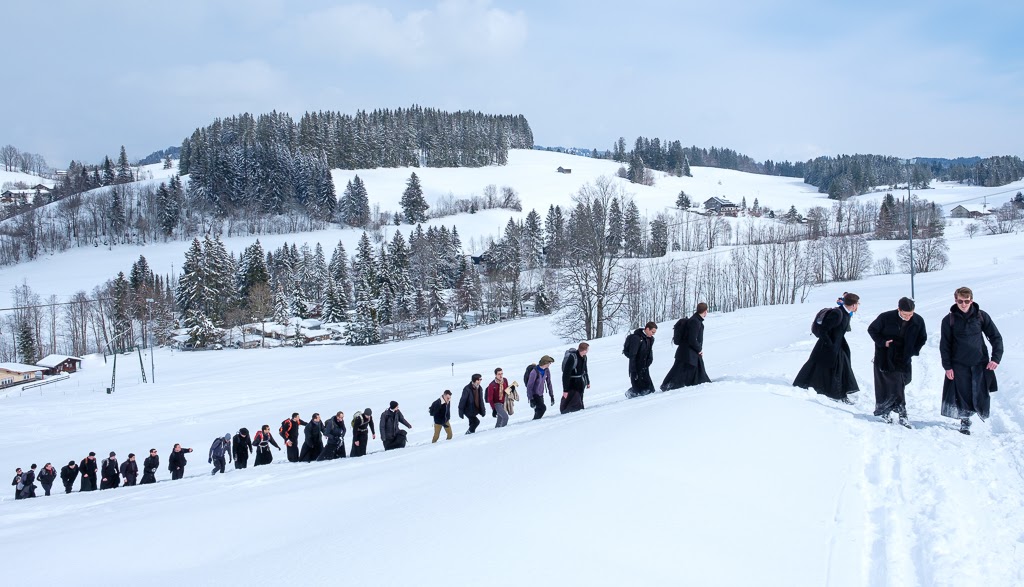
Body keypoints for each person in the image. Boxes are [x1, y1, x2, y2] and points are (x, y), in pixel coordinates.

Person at [939, 286, 1004, 435]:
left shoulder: (981, 316)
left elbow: (996, 337)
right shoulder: (949, 320)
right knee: (963, 393)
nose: (963, 304)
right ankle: (965, 420)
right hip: (959, 364)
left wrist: (996, 358)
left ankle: (977, 412)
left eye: (966, 301)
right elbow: (944, 345)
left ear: (971, 300)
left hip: (980, 362)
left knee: (981, 392)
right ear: (955, 300)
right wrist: (947, 366)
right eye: (960, 301)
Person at [867, 297, 927, 428]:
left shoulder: (918, 320)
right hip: (885, 356)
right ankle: (898, 413)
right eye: (905, 314)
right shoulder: (885, 317)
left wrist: (914, 350)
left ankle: (891, 408)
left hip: (904, 356)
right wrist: (883, 342)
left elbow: (922, 337)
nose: (908, 317)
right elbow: (872, 330)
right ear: (899, 309)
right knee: (887, 384)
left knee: (904, 381)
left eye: (911, 314)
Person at [793, 293, 861, 404]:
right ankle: (834, 394)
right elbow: (823, 330)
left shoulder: (846, 313)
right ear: (853, 305)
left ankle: (840, 394)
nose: (858, 306)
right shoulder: (837, 313)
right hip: (827, 346)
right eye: (857, 304)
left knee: (840, 368)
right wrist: (829, 344)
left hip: (838, 345)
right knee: (818, 365)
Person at [662, 303, 712, 391]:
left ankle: (670, 386)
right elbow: (692, 339)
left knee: (689, 371)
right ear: (705, 311)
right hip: (688, 353)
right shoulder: (695, 321)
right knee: (680, 371)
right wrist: (699, 349)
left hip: (688, 353)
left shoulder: (695, 320)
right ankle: (669, 386)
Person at [625, 322, 658, 397]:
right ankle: (630, 393)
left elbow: (649, 351)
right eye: (652, 332)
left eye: (654, 332)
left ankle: (633, 392)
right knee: (640, 391)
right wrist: (633, 370)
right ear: (647, 329)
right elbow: (632, 355)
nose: (653, 334)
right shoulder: (636, 338)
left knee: (650, 390)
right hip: (636, 367)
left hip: (645, 366)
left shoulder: (650, 339)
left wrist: (649, 361)